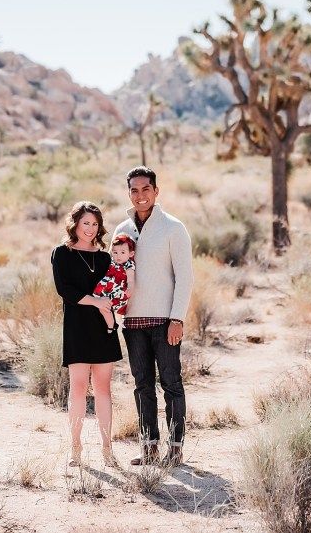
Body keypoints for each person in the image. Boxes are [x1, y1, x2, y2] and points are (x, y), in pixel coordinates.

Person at [112, 166, 194, 467]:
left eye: (146, 189)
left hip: (164, 322)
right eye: (134, 190)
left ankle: (175, 448)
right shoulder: (122, 230)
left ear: (156, 191)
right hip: (133, 323)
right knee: (142, 385)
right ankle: (149, 447)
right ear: (129, 193)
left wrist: (177, 319)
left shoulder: (173, 227)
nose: (140, 195)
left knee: (171, 384)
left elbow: (185, 277)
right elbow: (117, 275)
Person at [51, 201, 122, 468]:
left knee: (104, 390)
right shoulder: (62, 253)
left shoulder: (105, 258)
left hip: (104, 328)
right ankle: (76, 448)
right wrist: (96, 301)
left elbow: (115, 289)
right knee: (78, 388)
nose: (90, 229)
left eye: (94, 224)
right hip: (77, 328)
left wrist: (110, 309)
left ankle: (107, 449)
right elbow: (64, 290)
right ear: (75, 224)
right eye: (85, 223)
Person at [92, 233, 137, 333]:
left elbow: (130, 280)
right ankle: (111, 324)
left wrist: (130, 289)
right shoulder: (112, 261)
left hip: (118, 291)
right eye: (115, 252)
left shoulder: (128, 264)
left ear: (131, 254)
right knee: (101, 307)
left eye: (122, 252)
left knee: (105, 307)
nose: (118, 256)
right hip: (106, 288)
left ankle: (111, 325)